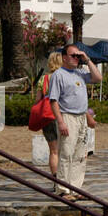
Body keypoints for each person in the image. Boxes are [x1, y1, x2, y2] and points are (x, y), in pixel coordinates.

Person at [49, 43, 102, 195]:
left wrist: (87, 60)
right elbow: (53, 101)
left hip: (81, 118)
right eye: (73, 56)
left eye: (78, 56)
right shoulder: (58, 75)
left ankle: (76, 187)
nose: (76, 59)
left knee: (80, 154)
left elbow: (98, 78)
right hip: (68, 116)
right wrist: (60, 121)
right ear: (64, 58)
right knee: (66, 153)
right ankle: (64, 189)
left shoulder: (80, 73)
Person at [39, 51, 63, 180]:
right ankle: (64, 180)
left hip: (47, 117)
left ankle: (55, 179)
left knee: (53, 151)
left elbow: (38, 100)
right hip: (61, 115)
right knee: (63, 150)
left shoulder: (44, 79)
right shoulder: (63, 76)